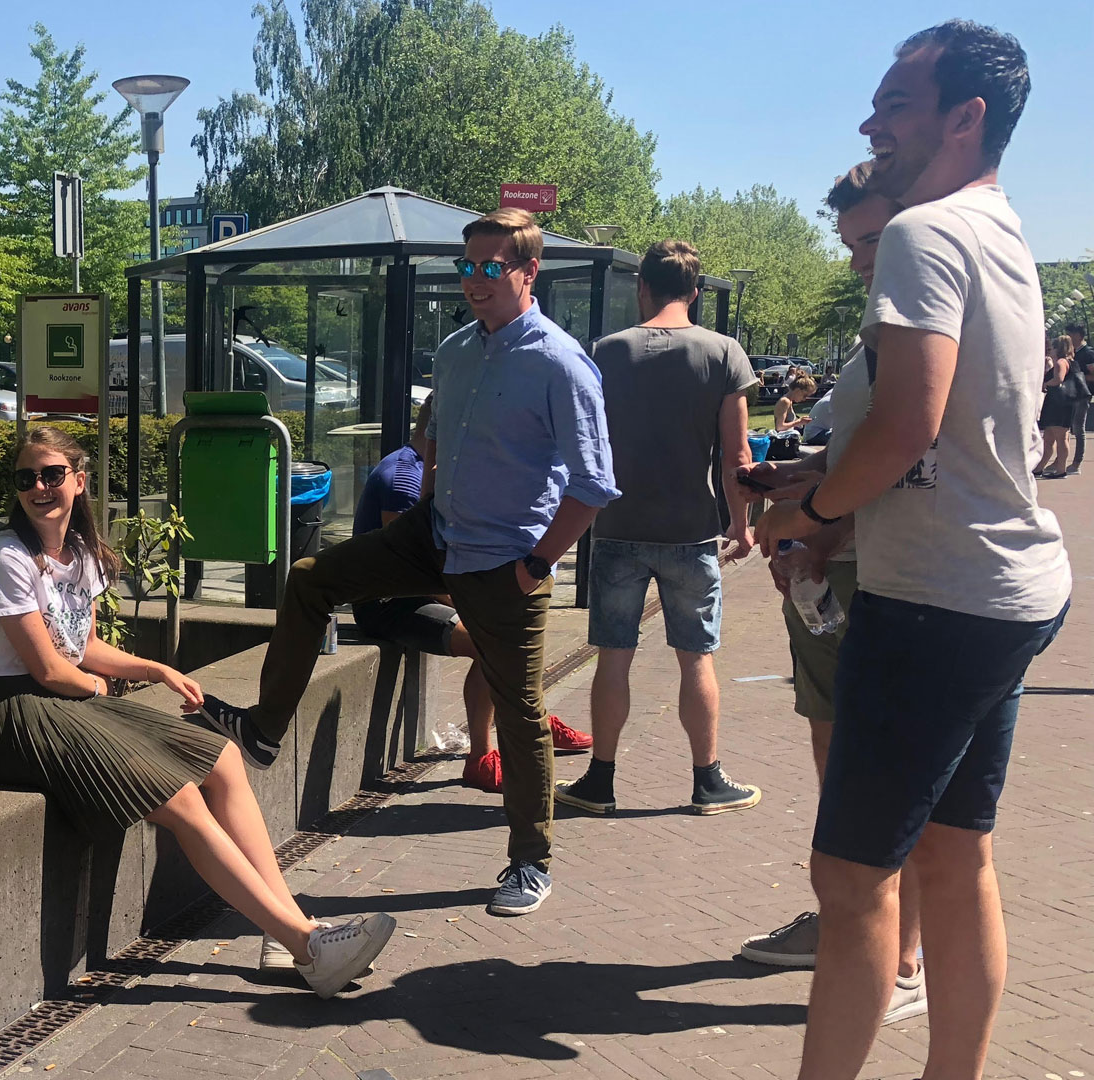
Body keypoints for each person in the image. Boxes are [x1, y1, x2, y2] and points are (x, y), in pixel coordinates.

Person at [757, 22, 1070, 1080]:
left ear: (963, 116)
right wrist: (836, 498)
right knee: (955, 854)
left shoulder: (924, 233)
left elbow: (908, 427)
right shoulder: (999, 229)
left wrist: (812, 514)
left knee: (849, 887)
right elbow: (969, 436)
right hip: (1005, 588)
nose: (869, 119)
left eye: (895, 100)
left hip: (934, 603)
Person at [200, 207, 620, 918]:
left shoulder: (559, 361)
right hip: (434, 533)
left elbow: (594, 485)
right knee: (311, 580)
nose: (476, 280)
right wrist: (426, 504)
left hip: (504, 558)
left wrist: (538, 566)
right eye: (467, 267)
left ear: (528, 271)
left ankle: (529, 862)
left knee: (518, 711)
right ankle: (267, 730)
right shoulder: (456, 350)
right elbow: (436, 444)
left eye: (492, 267)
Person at [0, 427, 397, 996]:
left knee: (221, 759)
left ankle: (284, 928)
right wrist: (98, 691)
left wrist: (154, 670)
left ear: (79, 480)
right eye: (26, 479)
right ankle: (307, 946)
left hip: (63, 700)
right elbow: (48, 669)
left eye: (52, 474)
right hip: (8, 710)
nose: (39, 487)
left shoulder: (81, 554)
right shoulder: (7, 555)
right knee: (179, 795)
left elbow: (80, 647)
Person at [733, 161, 926, 1027]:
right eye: (851, 244)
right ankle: (862, 927)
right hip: (840, 566)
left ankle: (893, 954)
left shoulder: (923, 316)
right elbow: (877, 451)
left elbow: (914, 453)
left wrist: (812, 517)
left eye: (872, 241)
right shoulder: (886, 322)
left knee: (874, 774)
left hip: (866, 573)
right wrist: (799, 481)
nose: (858, 263)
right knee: (847, 763)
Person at [554, 240, 762, 817]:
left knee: (612, 655)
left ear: (641, 286)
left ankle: (600, 781)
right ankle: (707, 781)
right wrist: (741, 528)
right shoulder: (724, 354)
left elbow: (584, 445)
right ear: (695, 292)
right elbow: (736, 456)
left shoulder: (605, 352)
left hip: (617, 524)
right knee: (696, 658)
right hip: (691, 529)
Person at [348, 394, 594, 795]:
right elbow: (407, 573)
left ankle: (530, 713)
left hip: (419, 592)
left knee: (512, 629)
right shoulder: (404, 480)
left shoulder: (428, 468)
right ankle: (482, 756)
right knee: (492, 642)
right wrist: (481, 605)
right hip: (388, 604)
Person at [1035, 335, 1075, 478]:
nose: (1049, 351)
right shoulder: (1070, 361)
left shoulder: (1061, 363)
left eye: (1051, 348)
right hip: (1059, 403)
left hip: (1058, 404)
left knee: (1060, 437)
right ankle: (1040, 467)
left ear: (1058, 349)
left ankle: (1061, 470)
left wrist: (1045, 384)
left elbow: (1059, 379)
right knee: (1049, 438)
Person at [1067, 321, 1094, 473]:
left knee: (1078, 428)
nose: (1068, 337)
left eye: (1070, 334)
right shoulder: (1073, 352)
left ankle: (1077, 463)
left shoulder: (1088, 353)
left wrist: (1079, 376)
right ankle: (1061, 460)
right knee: (1068, 427)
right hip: (1072, 394)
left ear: (1077, 335)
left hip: (1083, 395)